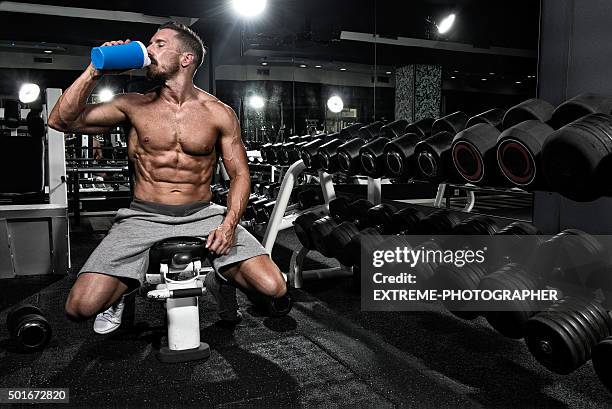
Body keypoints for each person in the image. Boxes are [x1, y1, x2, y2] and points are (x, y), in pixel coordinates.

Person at [48, 21, 287, 334]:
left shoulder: (219, 113)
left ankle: (220, 278)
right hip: (143, 216)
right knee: (79, 308)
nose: (149, 50)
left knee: (273, 287)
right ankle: (126, 288)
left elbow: (240, 175)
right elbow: (60, 120)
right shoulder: (133, 105)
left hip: (203, 212)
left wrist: (228, 226)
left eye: (159, 44)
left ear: (186, 59)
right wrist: (96, 69)